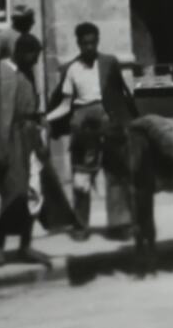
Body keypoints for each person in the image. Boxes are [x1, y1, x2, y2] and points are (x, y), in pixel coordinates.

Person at [46, 21, 139, 241]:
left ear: (97, 41)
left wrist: (129, 121)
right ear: (78, 43)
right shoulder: (70, 69)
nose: (89, 46)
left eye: (92, 42)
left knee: (116, 173)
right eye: (84, 43)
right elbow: (64, 102)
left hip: (109, 122)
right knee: (81, 177)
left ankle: (120, 223)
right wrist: (49, 119)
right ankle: (80, 225)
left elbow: (121, 94)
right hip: (83, 126)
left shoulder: (109, 63)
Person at [0, 33, 50, 266]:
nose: (35, 61)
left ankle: (25, 245)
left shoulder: (30, 74)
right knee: (13, 193)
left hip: (30, 137)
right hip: (8, 141)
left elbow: (35, 111)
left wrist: (41, 143)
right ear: (20, 52)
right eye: (32, 55)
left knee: (33, 194)